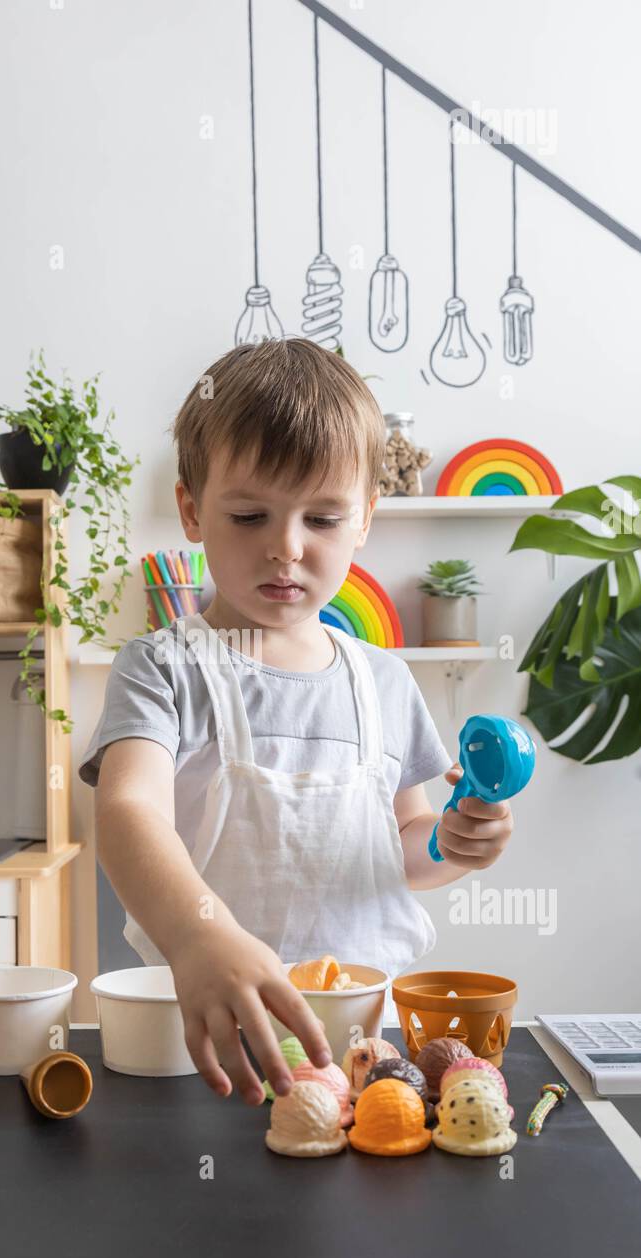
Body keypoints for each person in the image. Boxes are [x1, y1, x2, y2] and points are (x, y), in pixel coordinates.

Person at [78, 338, 515, 1107]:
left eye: (322, 517)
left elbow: (403, 847)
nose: (286, 547)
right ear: (190, 510)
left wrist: (457, 840)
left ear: (366, 520)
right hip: (213, 1053)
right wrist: (197, 934)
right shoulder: (163, 667)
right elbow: (126, 812)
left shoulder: (382, 679)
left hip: (370, 1056)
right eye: (250, 515)